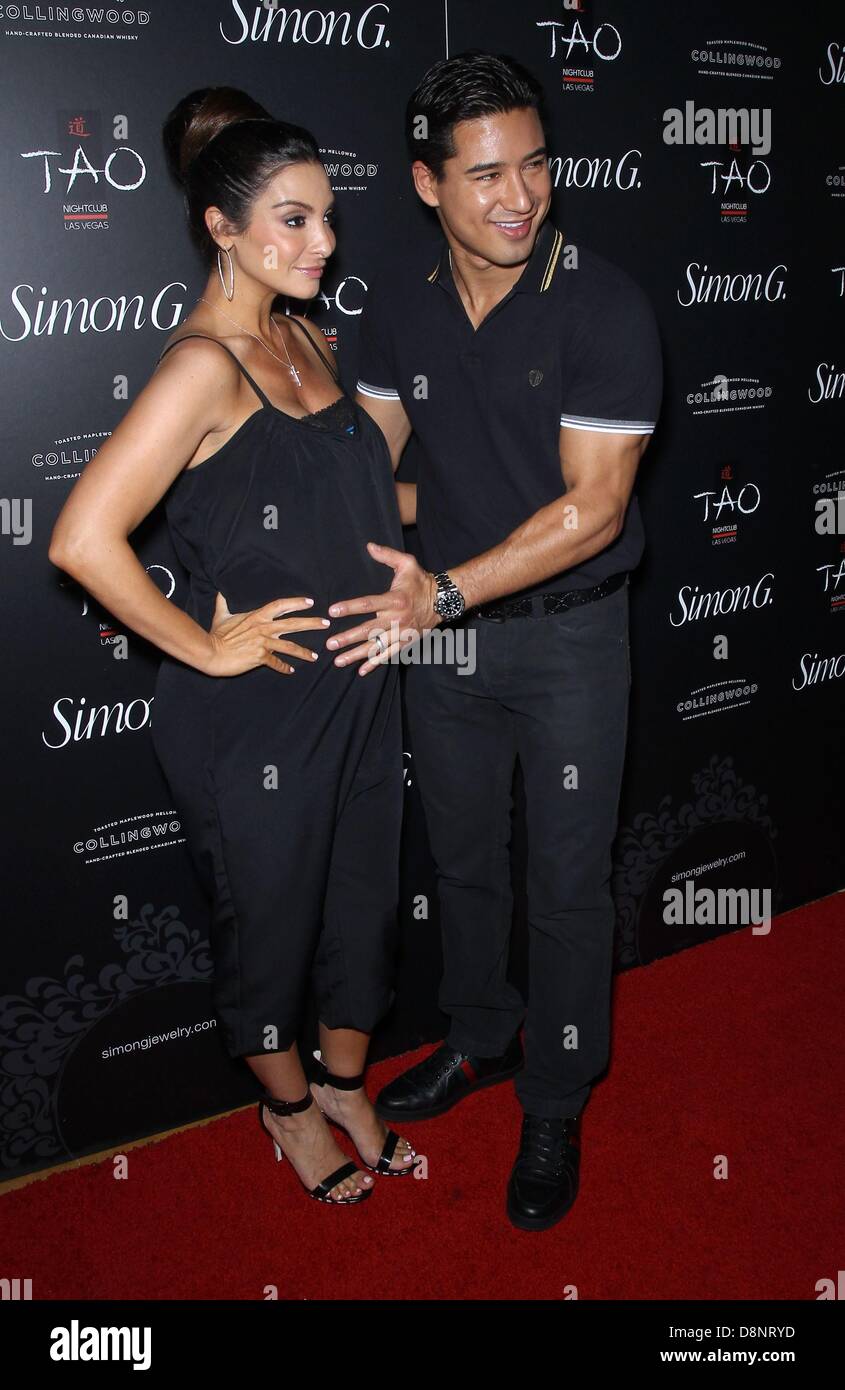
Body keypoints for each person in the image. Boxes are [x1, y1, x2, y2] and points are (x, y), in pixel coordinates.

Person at [47, 86, 417, 1206]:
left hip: (358, 689)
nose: (322, 241)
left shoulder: (306, 335)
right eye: (292, 220)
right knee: (271, 927)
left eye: (326, 218)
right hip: (253, 709)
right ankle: (289, 1110)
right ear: (222, 226)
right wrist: (200, 650)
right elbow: (81, 538)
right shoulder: (204, 364)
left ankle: (347, 1085)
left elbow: (353, 508)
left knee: (358, 910)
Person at [322, 51, 663, 1230]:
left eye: (532, 165)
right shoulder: (396, 306)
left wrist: (446, 591)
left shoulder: (602, 304)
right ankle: (479, 1038)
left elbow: (593, 507)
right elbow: (365, 466)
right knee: (461, 862)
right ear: (425, 185)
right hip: (445, 637)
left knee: (565, 886)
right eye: (482, 175)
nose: (517, 196)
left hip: (565, 639)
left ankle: (557, 1095)